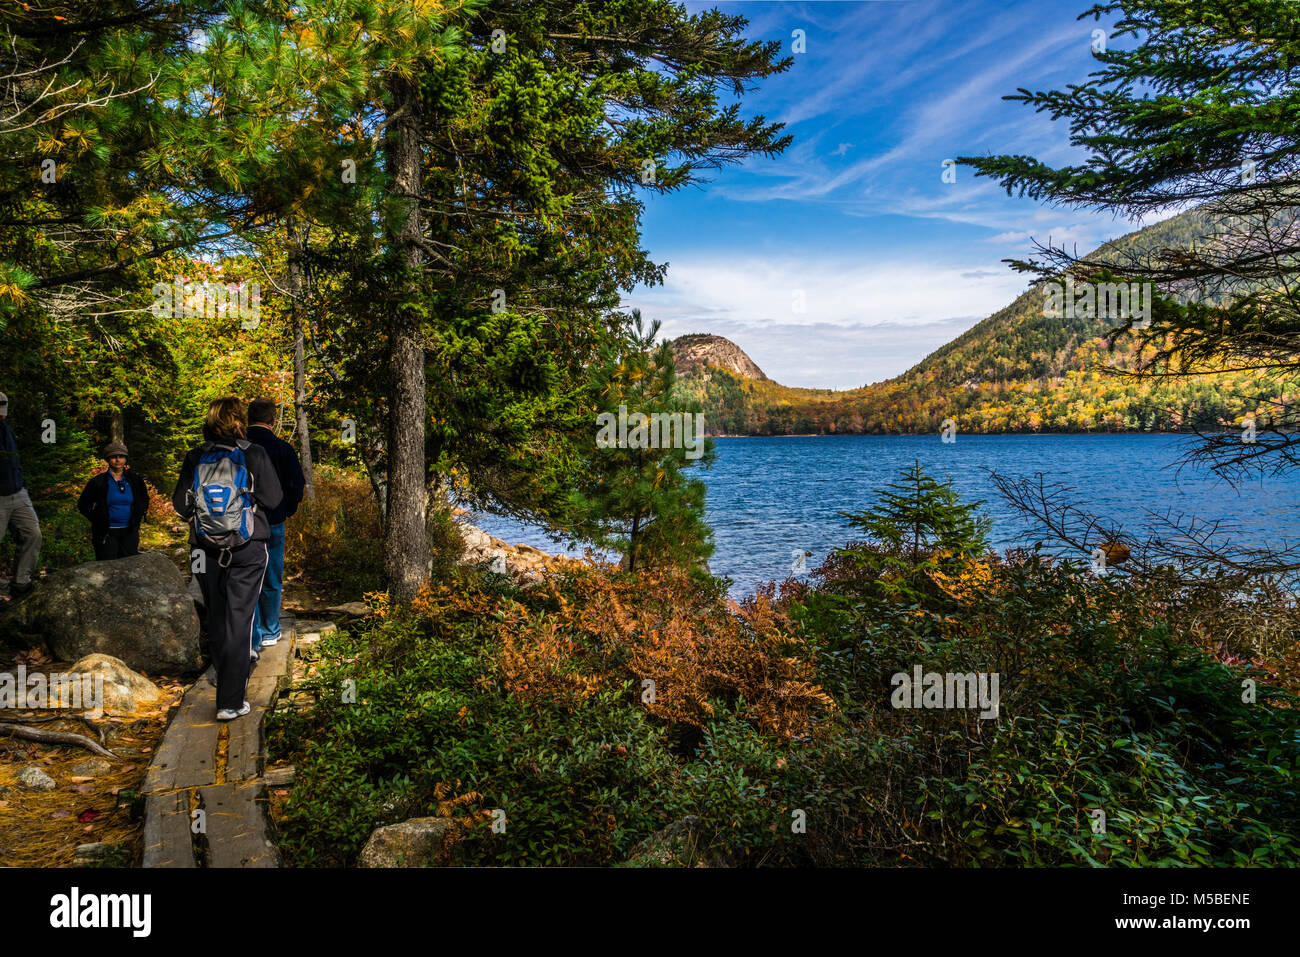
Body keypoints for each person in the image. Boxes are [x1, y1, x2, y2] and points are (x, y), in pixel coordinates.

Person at [172, 397, 282, 721]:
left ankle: (225, 678)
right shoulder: (253, 453)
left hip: (202, 552)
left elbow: (181, 506)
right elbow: (274, 499)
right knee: (241, 621)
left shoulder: (195, 456)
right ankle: (230, 701)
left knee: (217, 618)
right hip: (247, 549)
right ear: (239, 421)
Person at [245, 399, 305, 651]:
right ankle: (270, 629)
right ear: (273, 421)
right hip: (272, 520)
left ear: (248, 419)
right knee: (271, 575)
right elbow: (296, 484)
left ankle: (253, 633)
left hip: (242, 522)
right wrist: (286, 510)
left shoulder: (237, 447)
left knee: (247, 577)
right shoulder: (282, 448)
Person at [0, 390, 42, 599]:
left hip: (17, 492)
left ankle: (21, 582)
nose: (2, 414)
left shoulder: (6, 429)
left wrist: (21, 483)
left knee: (32, 534)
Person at [78, 441, 150, 560]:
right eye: (113, 457)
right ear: (107, 459)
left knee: (129, 566)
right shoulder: (98, 482)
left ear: (125, 459)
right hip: (106, 533)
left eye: (121, 456)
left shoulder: (135, 480)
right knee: (106, 567)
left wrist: (139, 516)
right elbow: (83, 504)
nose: (118, 460)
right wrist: (97, 519)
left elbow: (144, 499)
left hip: (130, 532)